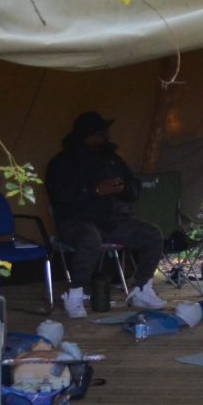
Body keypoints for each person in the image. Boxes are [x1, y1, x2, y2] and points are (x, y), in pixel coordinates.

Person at [44, 110, 164, 293]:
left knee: (152, 234)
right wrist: (94, 190)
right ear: (86, 136)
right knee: (90, 238)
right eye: (100, 134)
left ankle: (142, 289)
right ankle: (76, 294)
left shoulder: (112, 159)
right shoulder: (63, 162)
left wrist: (123, 188)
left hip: (111, 221)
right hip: (75, 222)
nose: (106, 137)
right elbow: (59, 196)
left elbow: (134, 187)